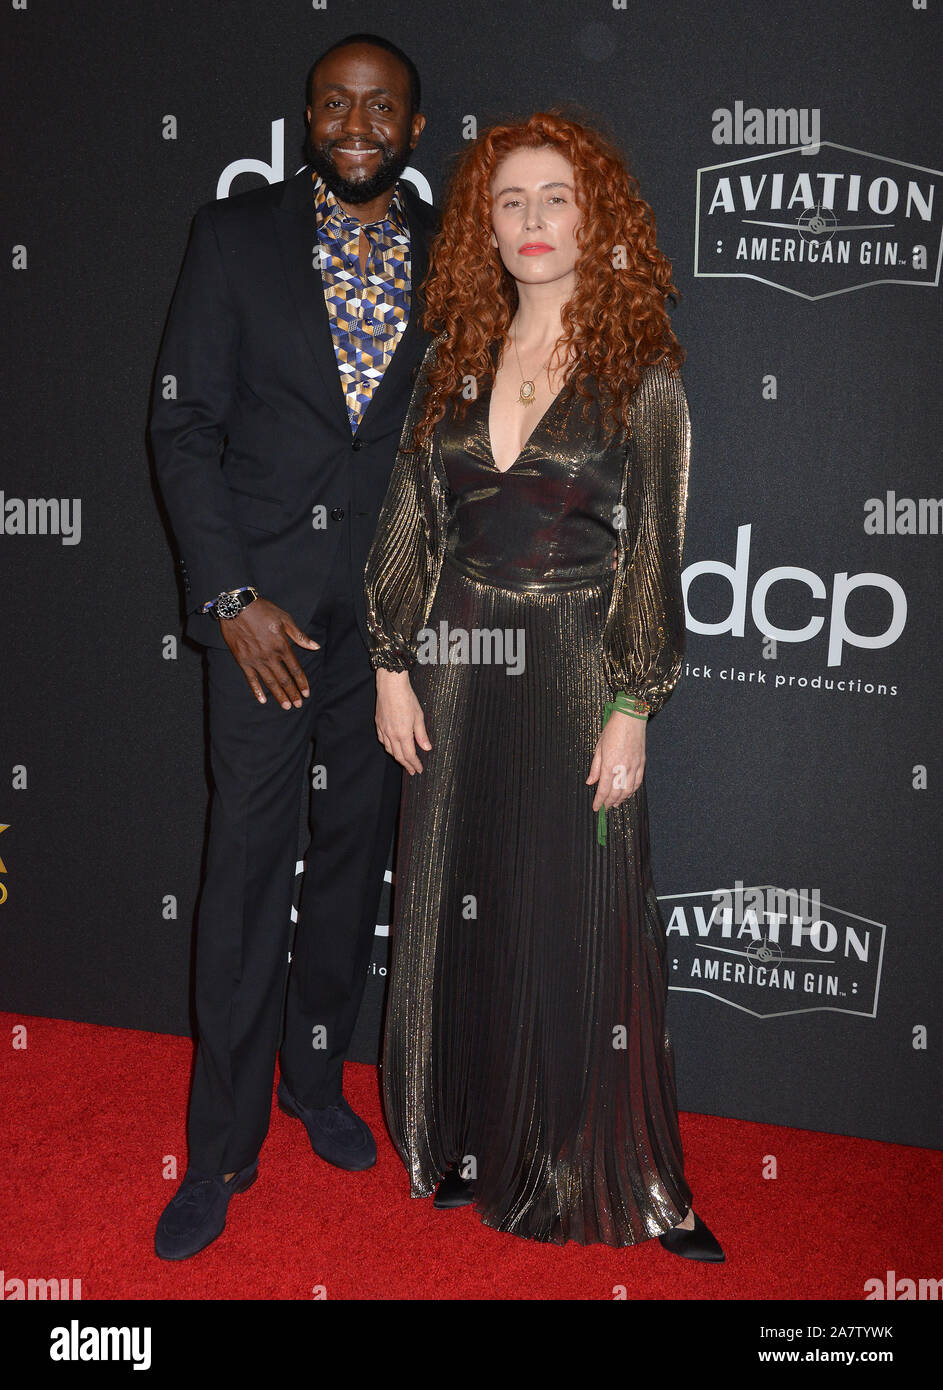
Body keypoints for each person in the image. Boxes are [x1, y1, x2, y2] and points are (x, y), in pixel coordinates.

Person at [364, 113, 723, 1259]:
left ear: (596, 218)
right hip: (458, 661)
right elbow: (412, 520)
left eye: (554, 198)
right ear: (485, 224)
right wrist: (387, 664)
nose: (530, 221)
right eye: (508, 200)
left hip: (575, 660)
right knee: (456, 891)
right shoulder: (451, 358)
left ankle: (608, 1166)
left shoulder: (642, 376)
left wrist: (631, 706)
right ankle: (464, 1138)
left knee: (584, 912)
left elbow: (651, 558)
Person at [148, 33, 437, 1261]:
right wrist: (228, 597)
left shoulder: (452, 253)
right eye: (335, 104)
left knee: (352, 866)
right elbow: (181, 427)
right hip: (261, 625)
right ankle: (218, 1148)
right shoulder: (235, 235)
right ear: (306, 117)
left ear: (415, 129)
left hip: (382, 629)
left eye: (380, 108)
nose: (356, 123)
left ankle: (315, 1085)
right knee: (249, 875)